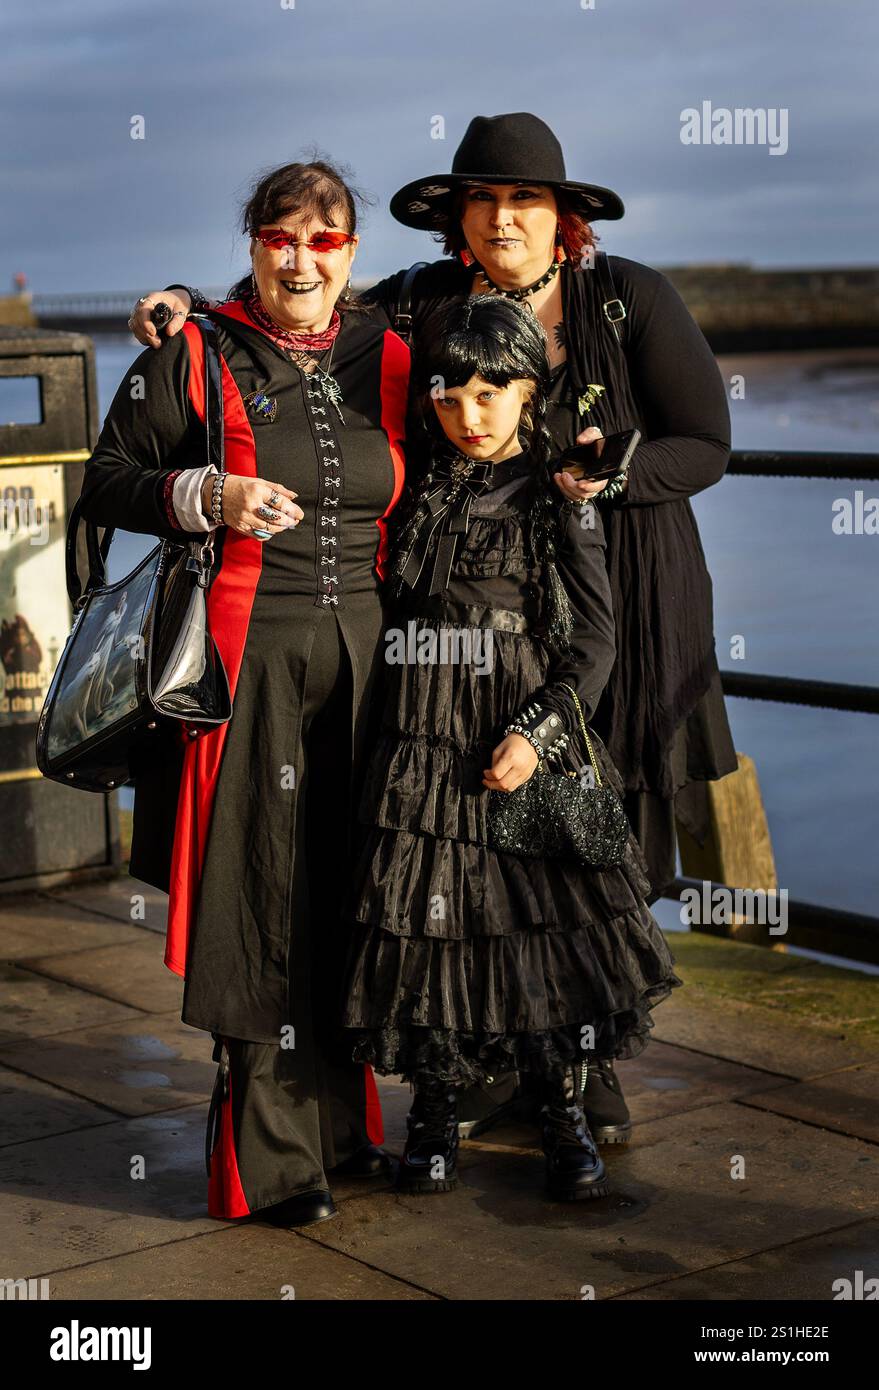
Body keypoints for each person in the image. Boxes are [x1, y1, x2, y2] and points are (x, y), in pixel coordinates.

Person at [129, 110, 736, 1148]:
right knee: (470, 841)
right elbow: (301, 301)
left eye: (526, 200)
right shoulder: (424, 300)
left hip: (619, 575)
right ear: (458, 218)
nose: (504, 217)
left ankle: (581, 1076)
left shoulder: (627, 297)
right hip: (476, 599)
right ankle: (490, 1058)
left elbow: (707, 440)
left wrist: (600, 477)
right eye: (485, 200)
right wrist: (192, 303)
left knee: (593, 829)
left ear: (563, 218)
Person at [78, 159, 412, 1229]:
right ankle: (269, 1164)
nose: (301, 258)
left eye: (324, 240)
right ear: (253, 244)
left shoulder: (391, 351)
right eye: (282, 237)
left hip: (368, 670)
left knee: (347, 897)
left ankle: (347, 1131)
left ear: (352, 253)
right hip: (242, 666)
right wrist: (208, 492)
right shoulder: (194, 350)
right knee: (257, 904)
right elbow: (107, 481)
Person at [341, 293, 681, 1201]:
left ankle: (561, 1117)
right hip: (422, 740)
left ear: (530, 392)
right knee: (435, 931)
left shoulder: (555, 494)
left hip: (522, 728)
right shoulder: (420, 483)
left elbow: (595, 644)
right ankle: (436, 1116)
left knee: (538, 932)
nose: (469, 414)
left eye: (492, 394)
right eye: (450, 396)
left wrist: (535, 736)